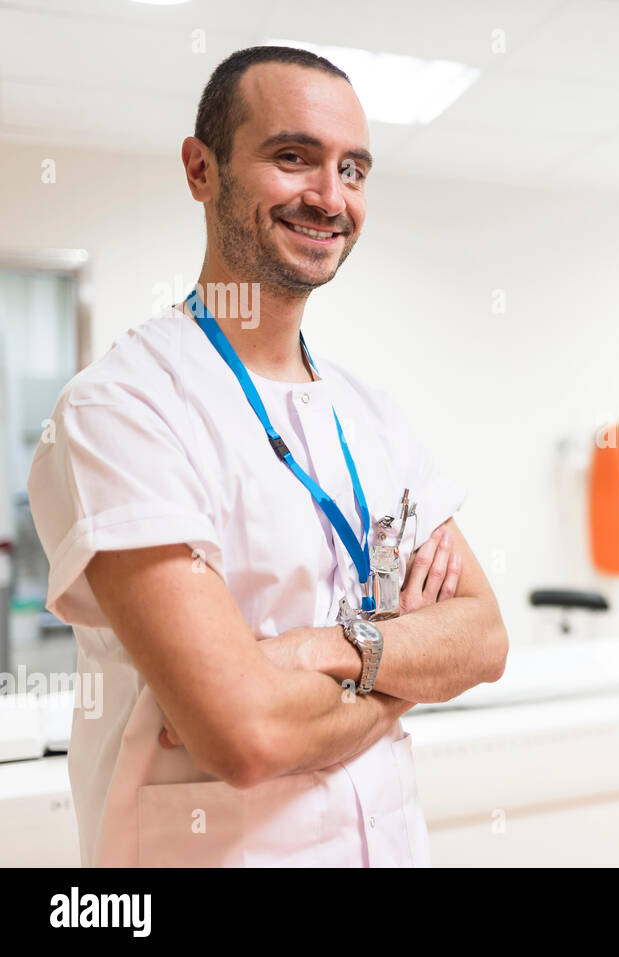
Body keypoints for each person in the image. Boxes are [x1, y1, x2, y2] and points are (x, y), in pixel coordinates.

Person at [26, 46, 508, 867]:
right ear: (200, 169)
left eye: (353, 169)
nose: (330, 197)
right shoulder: (124, 405)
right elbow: (242, 732)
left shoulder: (372, 413)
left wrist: (321, 650)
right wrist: (403, 672)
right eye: (294, 157)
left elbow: (486, 639)